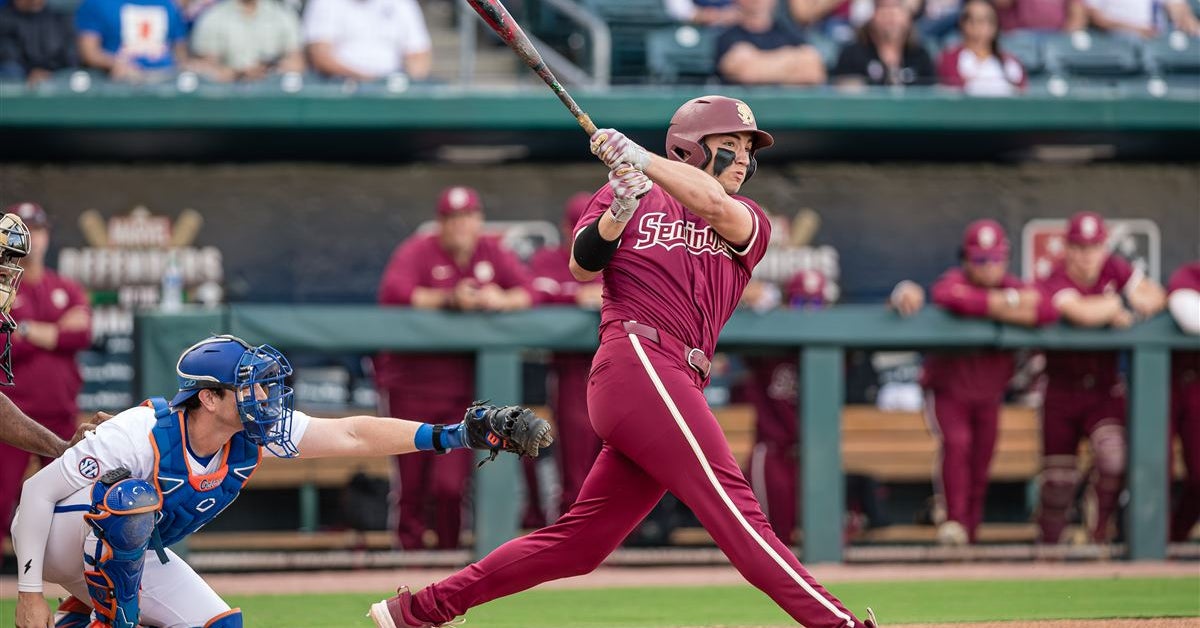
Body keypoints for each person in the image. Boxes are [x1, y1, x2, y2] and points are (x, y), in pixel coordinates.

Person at [369, 95, 877, 628]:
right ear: (689, 146)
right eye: (729, 147)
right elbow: (582, 265)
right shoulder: (630, 190)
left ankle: (420, 610)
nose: (743, 161)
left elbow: (712, 204)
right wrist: (616, 214)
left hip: (676, 376)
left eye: (749, 151)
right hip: (638, 358)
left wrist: (639, 158)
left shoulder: (749, 218)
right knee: (738, 514)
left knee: (580, 544)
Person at [11, 334, 551, 627]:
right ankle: (104, 616)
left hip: (125, 552)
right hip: (68, 538)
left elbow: (355, 436)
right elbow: (36, 493)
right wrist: (28, 593)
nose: (264, 398)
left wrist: (454, 434)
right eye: (249, 388)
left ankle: (83, 615)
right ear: (209, 397)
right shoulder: (138, 430)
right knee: (132, 501)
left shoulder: (254, 430)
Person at [375, 186, 534, 550]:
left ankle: (446, 561)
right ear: (441, 223)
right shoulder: (418, 251)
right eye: (453, 219)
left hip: (461, 394)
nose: (461, 226)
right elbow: (395, 293)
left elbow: (528, 292)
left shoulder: (492, 251)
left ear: (478, 221)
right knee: (411, 485)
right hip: (410, 387)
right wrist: (448, 299)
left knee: (449, 486)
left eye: (468, 217)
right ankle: (408, 557)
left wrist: (502, 298)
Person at [903, 220, 1055, 545]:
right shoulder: (955, 280)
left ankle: (969, 535)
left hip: (989, 394)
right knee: (957, 444)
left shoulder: (1013, 283)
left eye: (995, 259)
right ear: (966, 259)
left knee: (982, 461)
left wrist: (989, 305)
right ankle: (954, 524)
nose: (989, 267)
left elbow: (1044, 308)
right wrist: (1009, 305)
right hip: (949, 391)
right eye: (981, 259)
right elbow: (950, 297)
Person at [1036, 211, 1166, 544]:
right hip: (1062, 391)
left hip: (1104, 390)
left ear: (1104, 246)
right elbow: (1079, 312)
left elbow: (1155, 296)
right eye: (1078, 247)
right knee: (1057, 483)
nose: (1086, 256)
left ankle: (1095, 536)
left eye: (1093, 247)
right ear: (1067, 247)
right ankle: (1048, 550)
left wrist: (1133, 306)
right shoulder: (1054, 276)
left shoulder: (1115, 269)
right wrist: (1116, 305)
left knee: (1114, 459)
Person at [0, 202, 93, 570]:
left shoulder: (64, 287)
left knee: (73, 489)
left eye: (38, 230)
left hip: (58, 408)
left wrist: (25, 328)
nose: (33, 240)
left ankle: (78, 566)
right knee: (3, 494)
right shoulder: (8, 284)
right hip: (13, 407)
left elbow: (82, 333)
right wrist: (48, 330)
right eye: (25, 231)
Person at [739, 269, 827, 546]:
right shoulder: (768, 343)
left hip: (812, 456)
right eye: (801, 304)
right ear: (788, 304)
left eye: (816, 305)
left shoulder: (832, 349)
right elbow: (745, 326)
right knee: (770, 539)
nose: (808, 313)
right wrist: (756, 302)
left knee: (820, 542)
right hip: (773, 451)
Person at [528, 192, 604, 516]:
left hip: (618, 367)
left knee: (613, 460)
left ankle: (614, 540)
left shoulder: (618, 253)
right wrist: (578, 296)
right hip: (570, 370)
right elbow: (534, 294)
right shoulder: (549, 258)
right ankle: (571, 530)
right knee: (574, 465)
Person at [302, 0, 432, 81]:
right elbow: (321, 57)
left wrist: (408, 82)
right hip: (339, 86)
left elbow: (419, 54)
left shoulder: (402, 3)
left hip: (391, 85)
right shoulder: (325, 3)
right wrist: (369, 81)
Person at [715, 0, 827, 85]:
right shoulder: (728, 36)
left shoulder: (788, 32)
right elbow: (747, 73)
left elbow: (813, 72)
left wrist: (760, 62)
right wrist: (792, 62)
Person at [190, 0, 304, 82]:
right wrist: (239, 73)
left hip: (272, 93)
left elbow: (296, 62)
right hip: (227, 98)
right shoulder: (212, 17)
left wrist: (271, 69)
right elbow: (206, 68)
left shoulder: (283, 16)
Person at [74, 0, 189, 80]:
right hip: (117, 82)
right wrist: (114, 64)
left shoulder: (169, 4)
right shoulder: (97, 3)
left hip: (166, 79)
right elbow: (90, 53)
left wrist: (192, 66)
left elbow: (180, 54)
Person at [1166, 261, 1199, 542]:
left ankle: (1174, 537)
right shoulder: (1188, 275)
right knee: (1154, 471)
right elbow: (1190, 317)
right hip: (1167, 384)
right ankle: (1154, 544)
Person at [831, 0, 936, 86]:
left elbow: (930, 98)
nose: (891, 16)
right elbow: (844, 97)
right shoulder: (852, 55)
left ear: (908, 18)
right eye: (883, 9)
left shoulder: (920, 56)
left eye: (897, 9)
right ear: (872, 16)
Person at [938, 0, 1027, 96]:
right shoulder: (949, 60)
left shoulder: (1010, 63)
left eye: (988, 20)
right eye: (974, 20)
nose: (981, 26)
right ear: (963, 24)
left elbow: (1022, 95)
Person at [0, 0, 76, 85]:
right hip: (20, 76)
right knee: (11, 71)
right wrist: (30, 73)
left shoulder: (60, 19)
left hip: (56, 74)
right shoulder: (3, 20)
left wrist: (50, 74)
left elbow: (70, 57)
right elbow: (8, 55)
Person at [1084, 0, 1200, 38]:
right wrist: (1137, 30)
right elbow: (1096, 18)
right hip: (1117, 38)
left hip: (1158, 36)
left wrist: (1186, 19)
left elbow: (1179, 10)